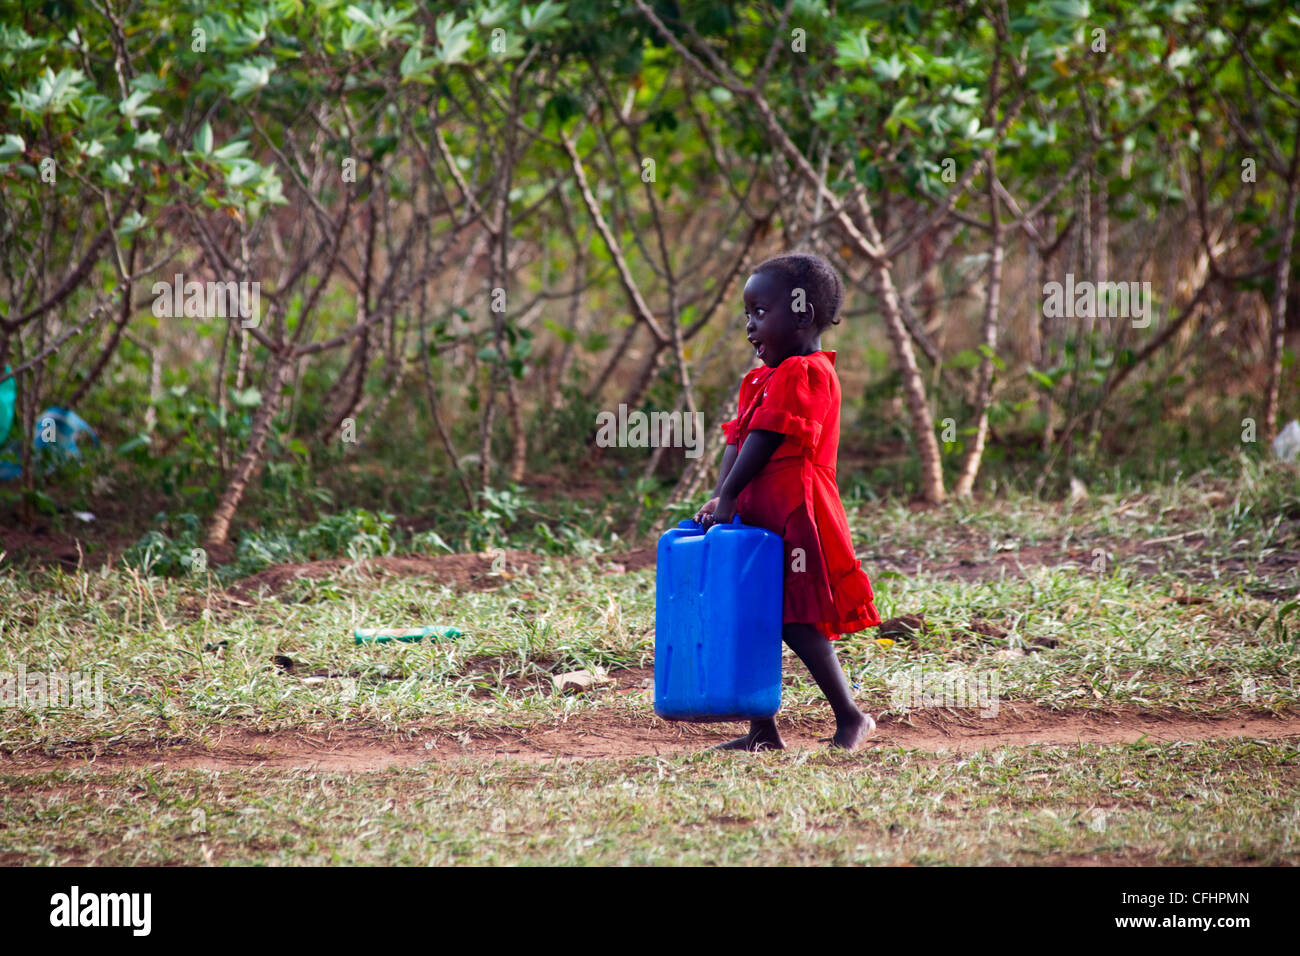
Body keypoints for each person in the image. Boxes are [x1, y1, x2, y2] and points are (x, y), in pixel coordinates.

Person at [694, 252, 882, 751]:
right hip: (758, 512)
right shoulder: (761, 379)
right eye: (747, 314)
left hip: (796, 511)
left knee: (795, 617)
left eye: (760, 313)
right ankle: (761, 730)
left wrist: (731, 492)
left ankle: (851, 716)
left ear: (802, 314)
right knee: (752, 613)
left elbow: (768, 438)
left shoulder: (807, 373)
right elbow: (738, 440)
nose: (750, 326)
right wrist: (721, 497)